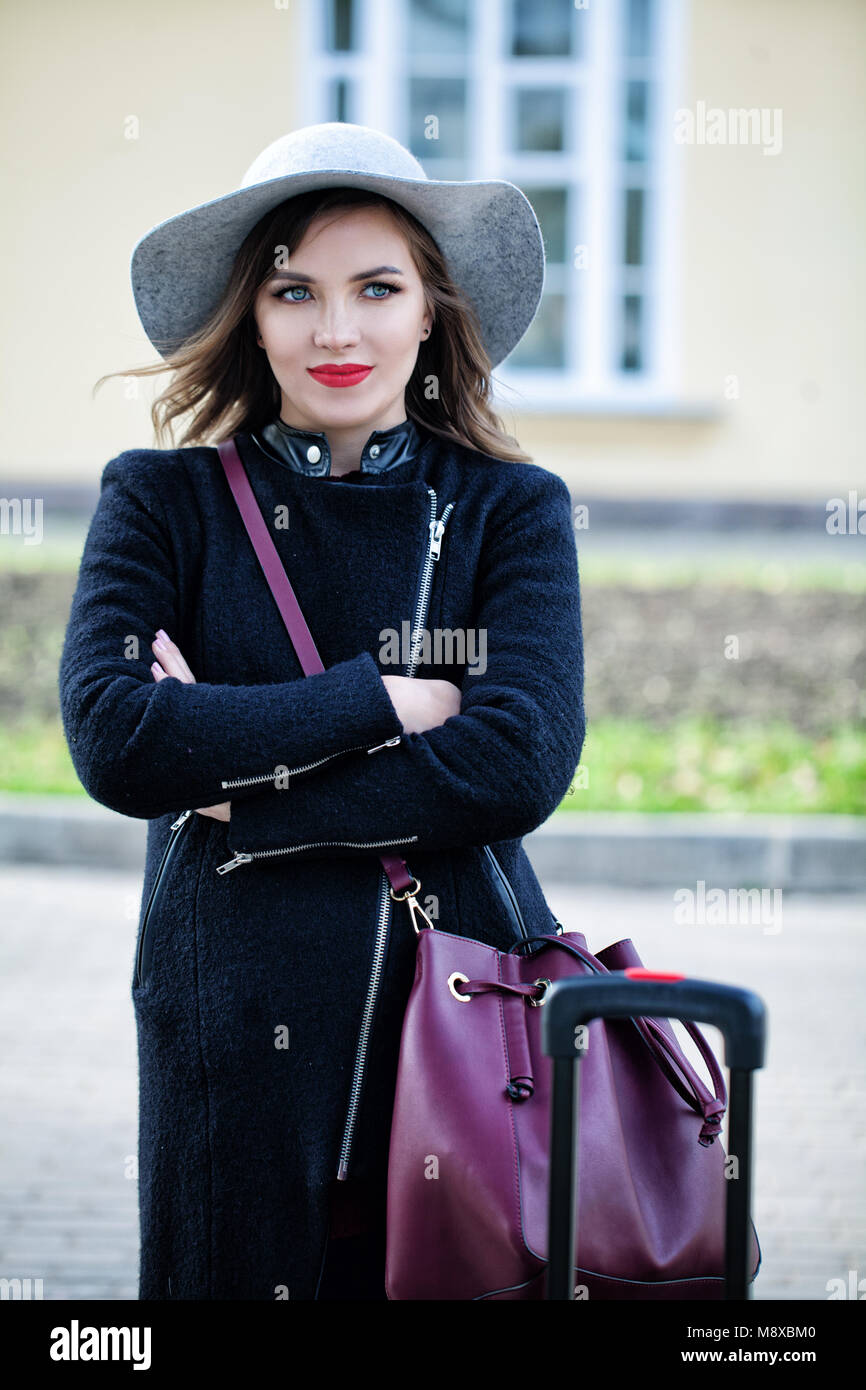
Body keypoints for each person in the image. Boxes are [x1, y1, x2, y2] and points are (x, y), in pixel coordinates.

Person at [58, 122, 586, 1300]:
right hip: (230, 1020)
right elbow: (119, 738)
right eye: (294, 290)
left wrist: (241, 791)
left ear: (430, 310)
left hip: (462, 1016)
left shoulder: (509, 510)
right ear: (251, 317)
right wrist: (384, 697)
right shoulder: (161, 501)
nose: (336, 331)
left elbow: (518, 761)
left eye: (375, 288)